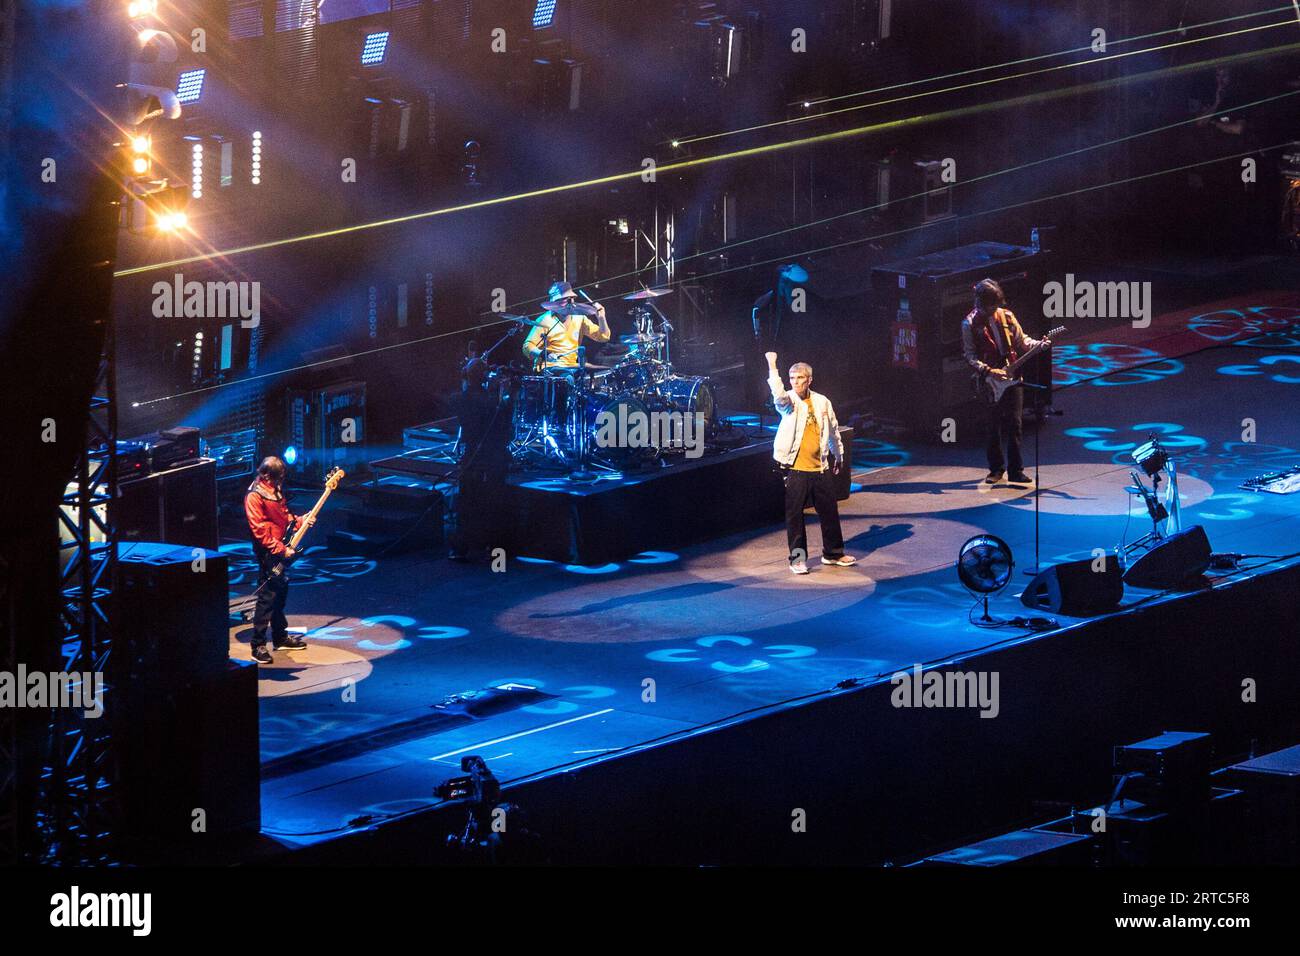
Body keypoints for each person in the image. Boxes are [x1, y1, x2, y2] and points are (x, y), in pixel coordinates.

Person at [765, 351, 857, 575]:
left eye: (800, 378)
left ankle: (833, 554)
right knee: (795, 515)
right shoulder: (789, 401)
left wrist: (839, 454)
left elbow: (833, 431)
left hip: (820, 467)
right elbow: (778, 395)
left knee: (829, 511)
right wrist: (772, 365)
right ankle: (797, 559)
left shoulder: (822, 401)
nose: (795, 382)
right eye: (792, 378)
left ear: (809, 380)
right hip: (796, 468)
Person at [961, 278, 1049, 485]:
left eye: (995, 305)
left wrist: (1039, 345)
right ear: (980, 303)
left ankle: (1016, 470)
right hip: (989, 381)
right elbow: (969, 356)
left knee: (1015, 424)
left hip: (1013, 377)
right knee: (993, 426)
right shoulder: (969, 323)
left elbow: (1022, 341)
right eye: (989, 306)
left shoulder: (1007, 316)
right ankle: (996, 469)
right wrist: (990, 371)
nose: (993, 309)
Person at [244, 456, 311, 663]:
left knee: (280, 591)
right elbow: (260, 531)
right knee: (267, 596)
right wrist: (281, 549)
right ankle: (258, 644)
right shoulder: (254, 496)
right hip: (268, 551)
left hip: (280, 545)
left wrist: (301, 521)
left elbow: (284, 516)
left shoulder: (276, 489)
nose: (280, 481)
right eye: (277, 477)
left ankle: (280, 637)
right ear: (267, 475)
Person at [521, 280, 611, 369]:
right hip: (550, 367)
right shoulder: (544, 320)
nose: (570, 302)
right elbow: (527, 346)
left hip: (572, 366)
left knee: (606, 371)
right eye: (565, 299)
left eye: (571, 298)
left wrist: (601, 318)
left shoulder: (580, 318)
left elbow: (603, 337)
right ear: (554, 303)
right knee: (568, 377)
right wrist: (543, 354)